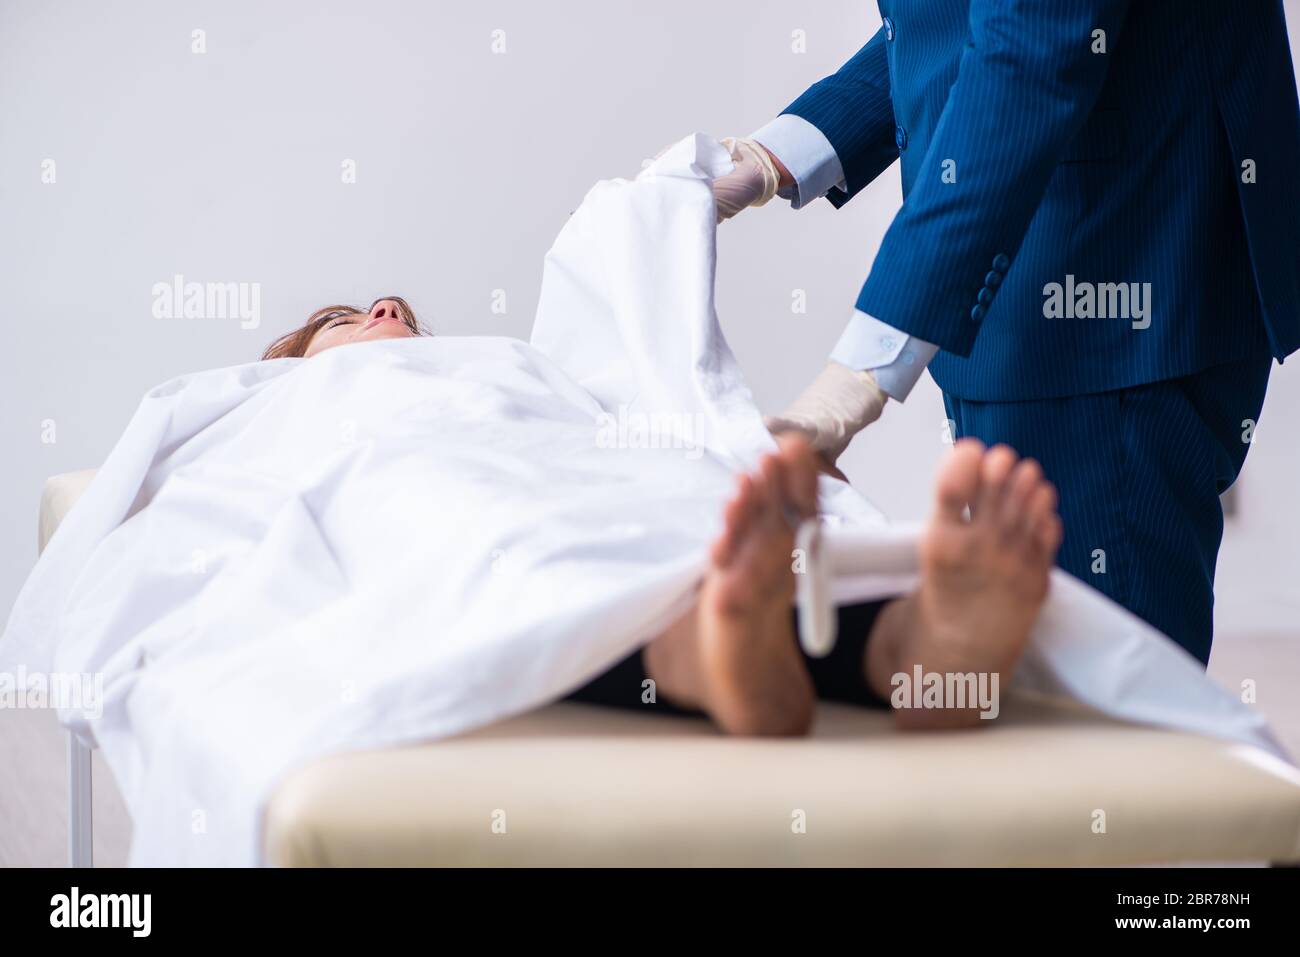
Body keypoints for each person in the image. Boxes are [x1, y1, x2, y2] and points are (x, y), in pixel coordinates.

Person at [693, 1, 1300, 666]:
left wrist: (864, 369)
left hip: (1111, 289)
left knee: (1098, 688)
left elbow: (1029, 49)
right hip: (1046, 289)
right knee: (1037, 672)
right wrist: (781, 153)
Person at [264, 298, 1064, 736]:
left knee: (697, 514)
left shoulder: (514, 366)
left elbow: (640, 401)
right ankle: (712, 654)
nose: (386, 306)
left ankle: (914, 645)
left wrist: (735, 440)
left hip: (596, 467)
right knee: (531, 548)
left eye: (391, 310)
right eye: (340, 321)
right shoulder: (285, 423)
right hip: (453, 487)